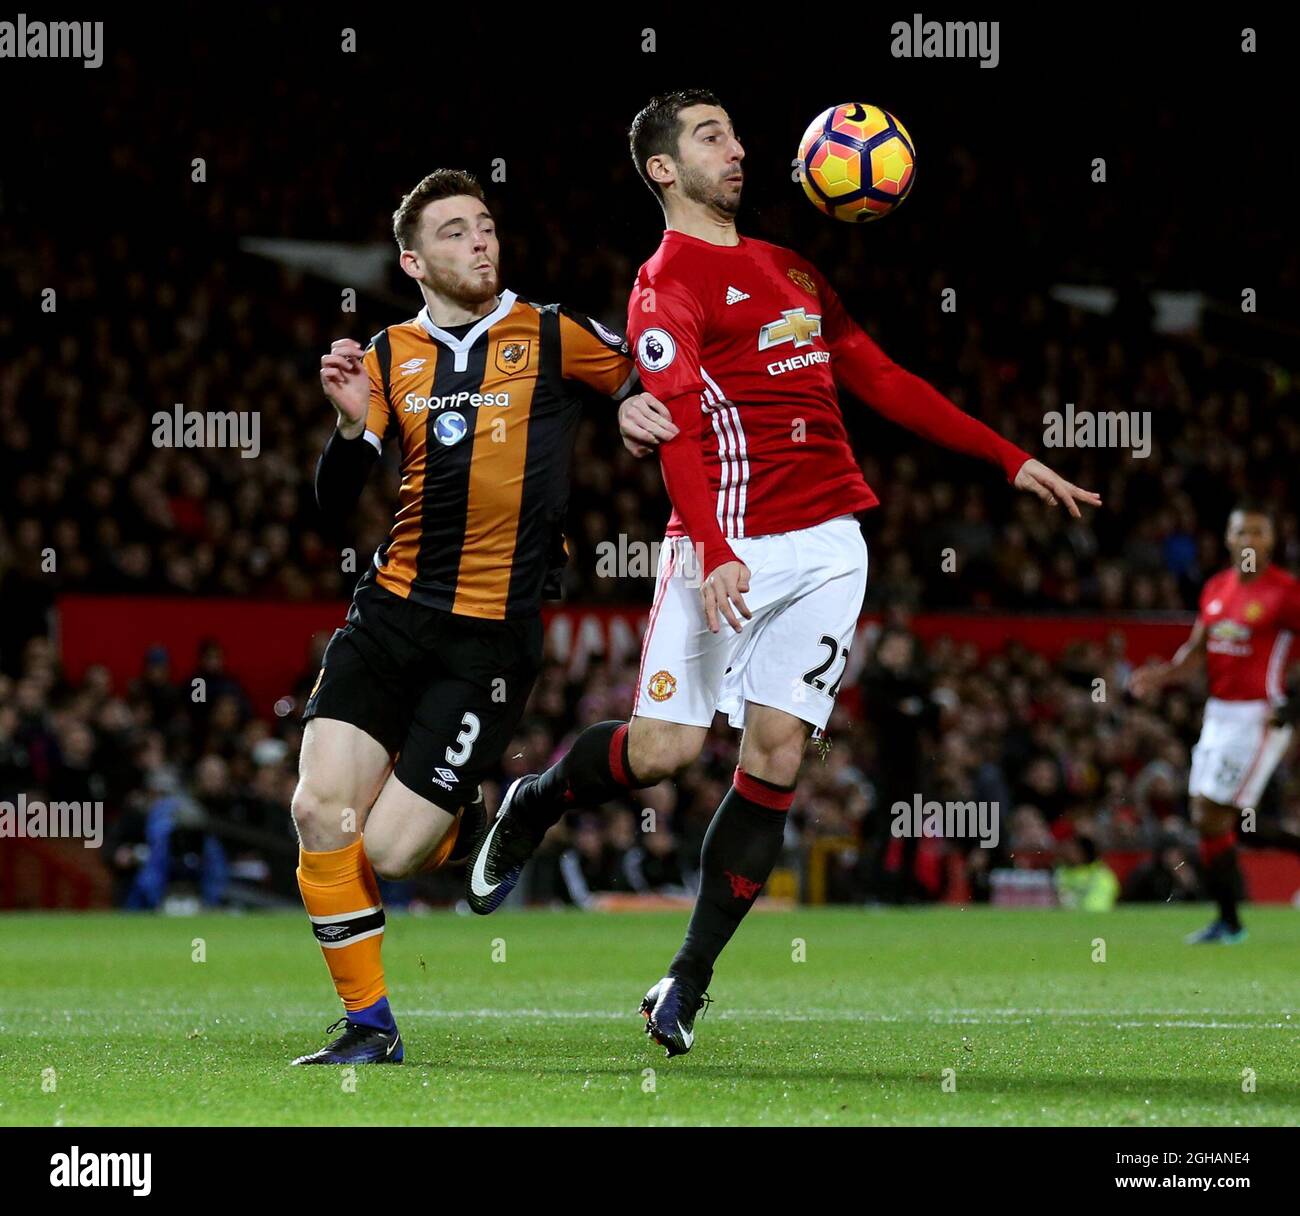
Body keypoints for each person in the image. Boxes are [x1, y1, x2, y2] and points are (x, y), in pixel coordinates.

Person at [466, 91, 1099, 1057]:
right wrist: (716, 550)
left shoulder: (792, 268)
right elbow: (672, 422)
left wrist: (1007, 457)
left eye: (735, 132)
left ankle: (685, 979)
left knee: (773, 759)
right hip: (723, 542)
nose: (739, 149)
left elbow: (880, 377)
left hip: (830, 544)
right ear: (663, 169)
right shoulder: (661, 285)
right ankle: (540, 799)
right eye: (711, 136)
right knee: (665, 753)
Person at [289, 168, 660, 1065]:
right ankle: (370, 1029)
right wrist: (346, 433)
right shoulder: (386, 357)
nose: (481, 242)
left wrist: (639, 406)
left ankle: (486, 812)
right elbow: (331, 507)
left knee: (395, 851)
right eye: (455, 232)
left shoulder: (553, 332)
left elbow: (651, 385)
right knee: (317, 811)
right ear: (414, 259)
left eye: (486, 225)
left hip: (491, 640)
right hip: (389, 615)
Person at [1131, 502, 1300, 943]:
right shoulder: (1216, 588)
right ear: (1228, 539)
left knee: (1216, 812)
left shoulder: (1285, 592)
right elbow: (1196, 651)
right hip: (1218, 714)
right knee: (1209, 816)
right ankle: (1228, 922)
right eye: (1242, 532)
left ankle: (1230, 923)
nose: (1250, 541)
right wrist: (1161, 676)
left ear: (1272, 541)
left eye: (1260, 533)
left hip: (1260, 715)